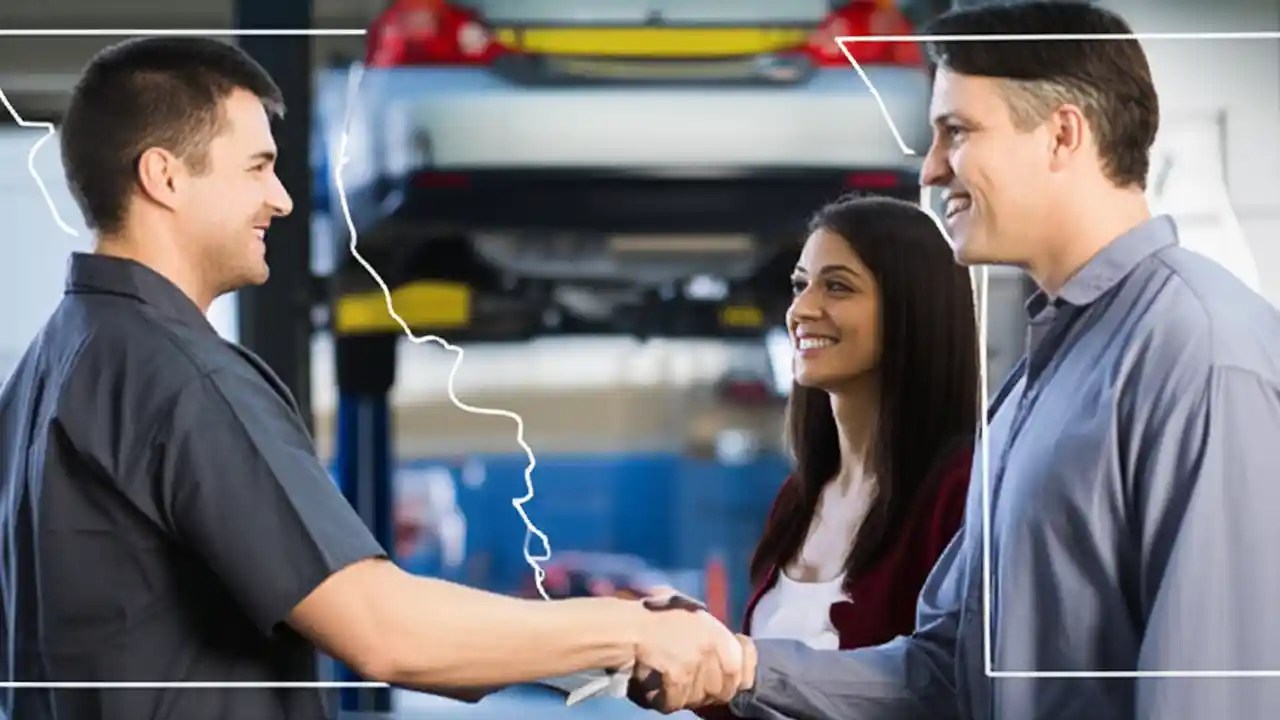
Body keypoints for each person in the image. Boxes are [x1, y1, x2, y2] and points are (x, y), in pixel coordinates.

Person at [0, 37, 743, 720]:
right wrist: (628, 627)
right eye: (258, 166)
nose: (282, 198)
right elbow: (388, 634)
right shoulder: (182, 376)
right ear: (164, 176)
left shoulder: (46, 373)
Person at [643, 2, 1280, 718]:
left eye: (957, 132)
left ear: (1063, 134)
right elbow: (945, 672)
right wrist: (742, 668)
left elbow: (1218, 696)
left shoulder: (1200, 353)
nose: (934, 167)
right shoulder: (1033, 391)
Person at [690, 194, 979, 720]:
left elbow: (943, 691)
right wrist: (689, 658)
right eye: (801, 285)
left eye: (837, 286)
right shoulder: (798, 499)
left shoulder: (963, 494)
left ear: (912, 308)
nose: (801, 309)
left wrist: (734, 664)